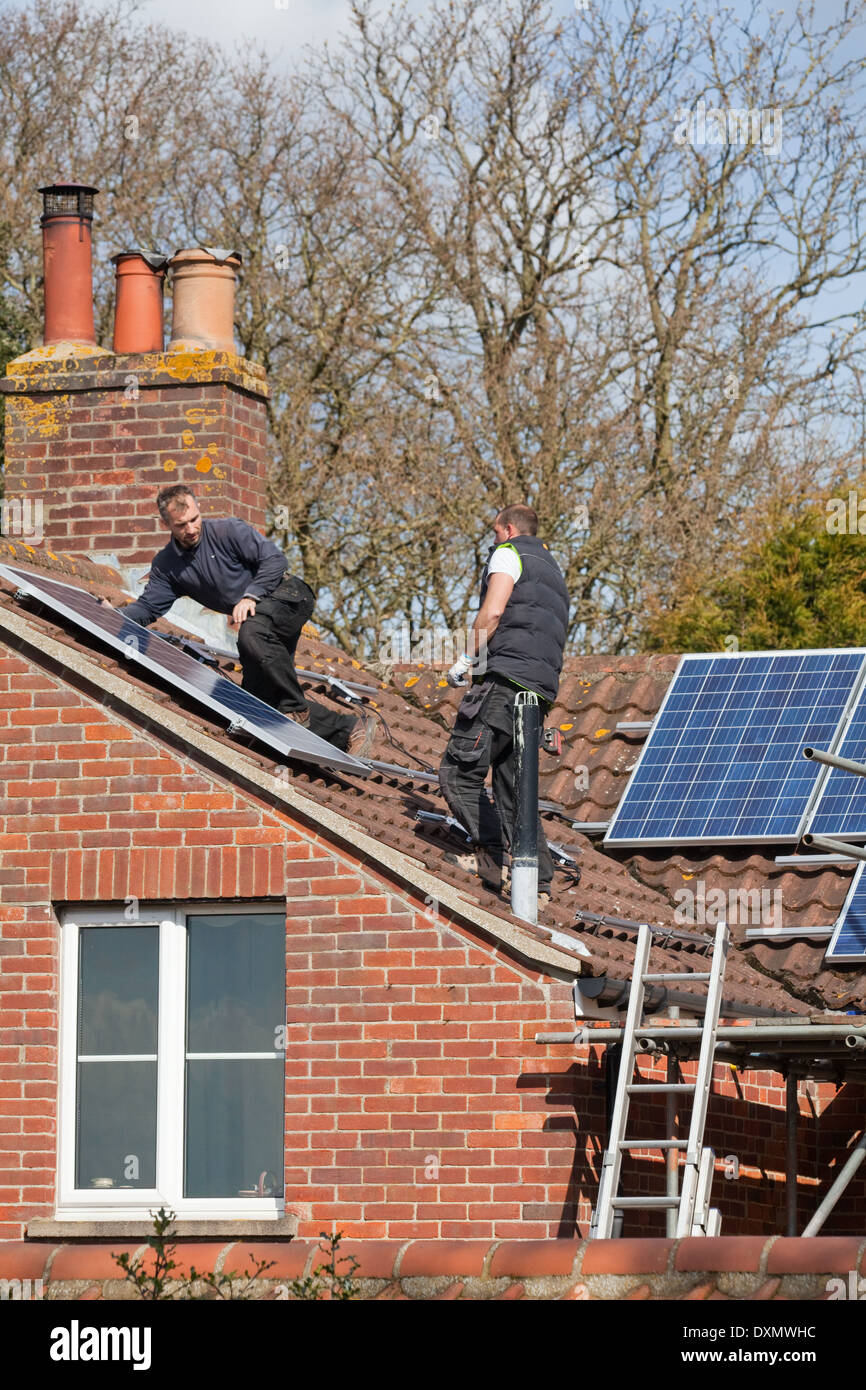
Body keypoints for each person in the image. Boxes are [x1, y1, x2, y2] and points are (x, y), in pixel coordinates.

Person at [118, 485, 374, 756]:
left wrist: (251, 596)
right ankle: (350, 729)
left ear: (198, 510)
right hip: (260, 619)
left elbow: (275, 560)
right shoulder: (168, 565)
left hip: (289, 596)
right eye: (181, 525)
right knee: (255, 704)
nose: (191, 529)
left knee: (251, 635)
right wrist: (114, 617)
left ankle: (296, 709)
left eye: (194, 519)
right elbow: (148, 607)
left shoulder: (228, 530)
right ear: (166, 523)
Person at [438, 504, 569, 908]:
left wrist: (466, 660)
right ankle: (540, 882)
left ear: (508, 529)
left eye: (495, 532)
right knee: (515, 787)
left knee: (458, 773)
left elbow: (493, 611)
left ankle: (492, 859)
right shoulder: (554, 573)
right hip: (538, 692)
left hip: (504, 679)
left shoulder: (509, 553)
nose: (493, 540)